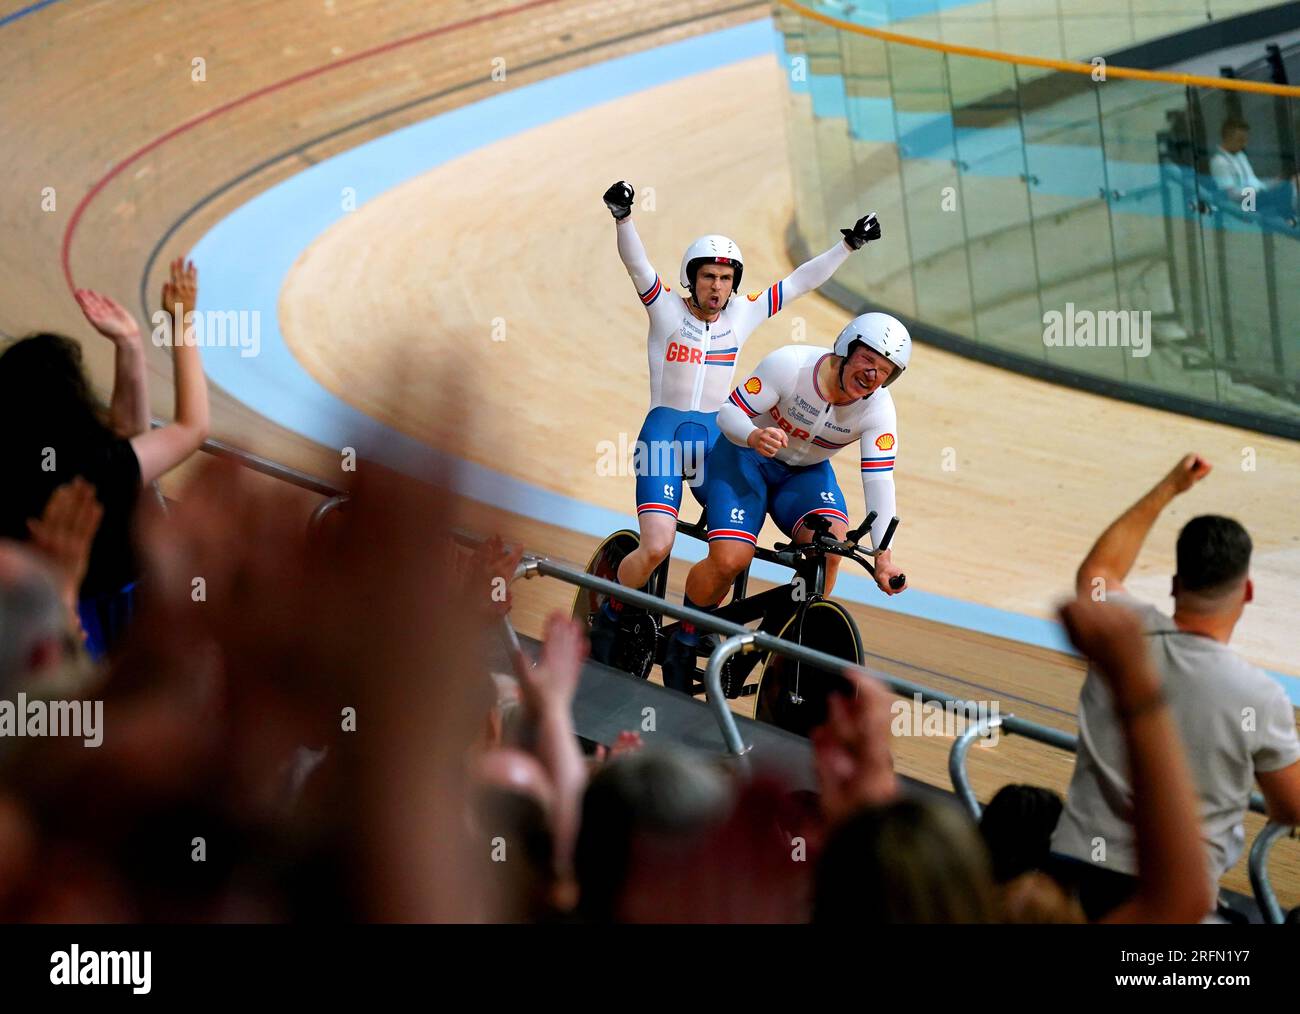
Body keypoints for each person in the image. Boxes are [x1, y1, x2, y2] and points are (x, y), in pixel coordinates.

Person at [590, 180, 883, 665]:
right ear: (692, 278)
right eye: (708, 278)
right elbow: (636, 264)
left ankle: (698, 624)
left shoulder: (742, 315)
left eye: (726, 280)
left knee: (730, 543)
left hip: (718, 439)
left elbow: (800, 281)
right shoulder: (663, 306)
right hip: (663, 435)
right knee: (659, 544)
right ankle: (612, 612)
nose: (717, 288)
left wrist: (847, 246)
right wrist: (623, 217)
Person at [1049, 454, 1300, 920]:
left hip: (1074, 877)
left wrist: (1170, 486)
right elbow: (1292, 805)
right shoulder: (1260, 696)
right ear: (1246, 592)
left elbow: (1100, 570)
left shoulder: (1121, 638)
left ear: (1174, 584)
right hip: (1174, 902)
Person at [659, 312, 910, 692]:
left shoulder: (878, 408)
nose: (872, 376)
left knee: (831, 550)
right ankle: (687, 634)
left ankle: (783, 644)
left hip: (804, 474)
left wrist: (884, 556)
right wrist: (753, 436)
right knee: (731, 558)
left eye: (885, 371)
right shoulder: (790, 365)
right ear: (846, 348)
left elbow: (879, 478)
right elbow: (729, 412)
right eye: (867, 362)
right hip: (746, 455)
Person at [0, 259, 210, 656]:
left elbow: (129, 435)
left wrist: (129, 345)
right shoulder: (101, 466)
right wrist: (178, 323)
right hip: (124, 613)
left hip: (41, 618)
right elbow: (191, 426)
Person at [1209, 117, 1298, 218]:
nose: (1244, 144)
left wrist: (1275, 182)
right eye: (1240, 140)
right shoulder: (1219, 162)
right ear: (1228, 138)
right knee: (1286, 190)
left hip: (1257, 196)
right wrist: (1261, 191)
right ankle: (1289, 219)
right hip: (1245, 203)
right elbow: (1232, 195)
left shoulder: (1240, 156)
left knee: (1292, 182)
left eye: (1245, 140)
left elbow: (1254, 182)